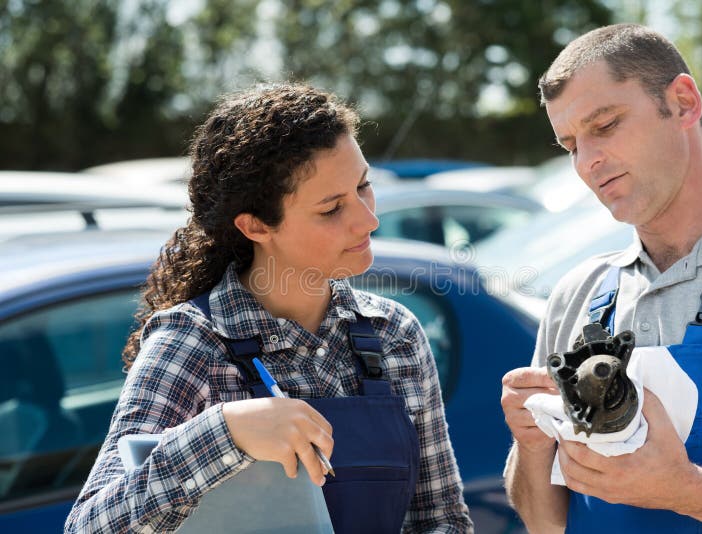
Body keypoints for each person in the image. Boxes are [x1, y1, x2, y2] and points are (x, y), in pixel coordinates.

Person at [66, 83, 473, 533]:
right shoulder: (191, 345)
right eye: (331, 209)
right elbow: (89, 527)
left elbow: (442, 520)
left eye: (363, 186)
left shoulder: (395, 334)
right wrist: (226, 433)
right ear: (256, 226)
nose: (368, 219)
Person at [501, 23, 702, 533]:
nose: (587, 162)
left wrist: (687, 491)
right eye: (570, 145)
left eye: (605, 125)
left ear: (683, 103)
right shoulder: (579, 295)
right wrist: (531, 444)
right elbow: (544, 523)